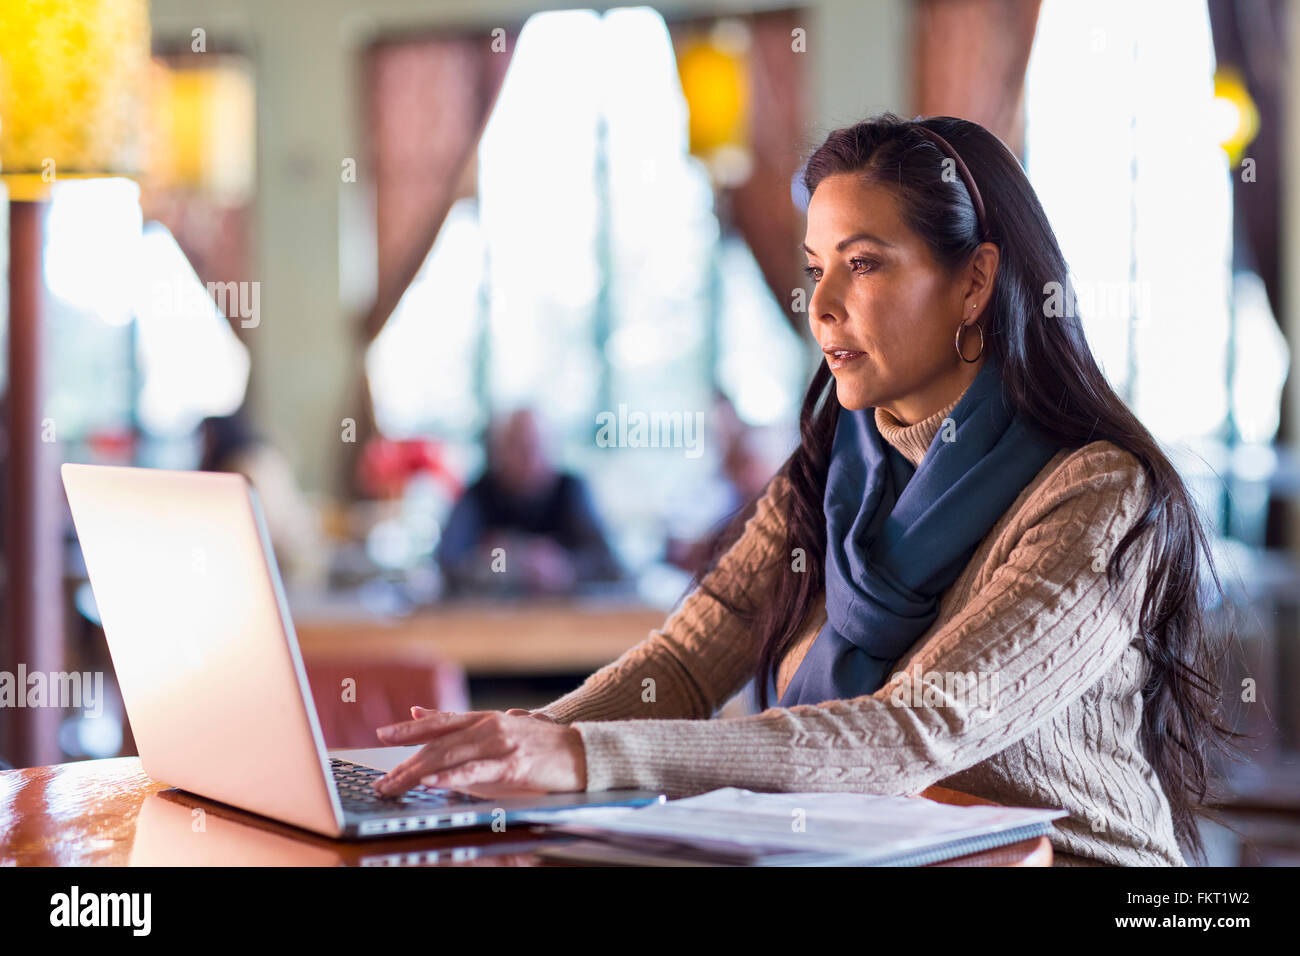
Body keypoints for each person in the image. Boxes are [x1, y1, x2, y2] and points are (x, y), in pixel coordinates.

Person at [370, 114, 1241, 867]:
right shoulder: (831, 468)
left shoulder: (1095, 493)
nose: (819, 303)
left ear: (973, 283)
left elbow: (910, 736)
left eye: (862, 265)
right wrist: (494, 756)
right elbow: (679, 664)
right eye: (817, 264)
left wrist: (582, 758)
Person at [435, 408, 623, 596]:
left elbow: (610, 564)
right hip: (489, 620)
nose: (529, 458)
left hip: (568, 618)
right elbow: (446, 564)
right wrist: (504, 563)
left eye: (537, 446)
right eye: (518, 446)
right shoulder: (478, 494)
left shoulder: (571, 490)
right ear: (499, 450)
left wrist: (563, 567)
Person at [199, 407, 328, 589]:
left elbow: (265, 529)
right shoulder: (263, 454)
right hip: (301, 559)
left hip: (286, 568)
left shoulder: (246, 467)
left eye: (205, 439)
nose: (203, 446)